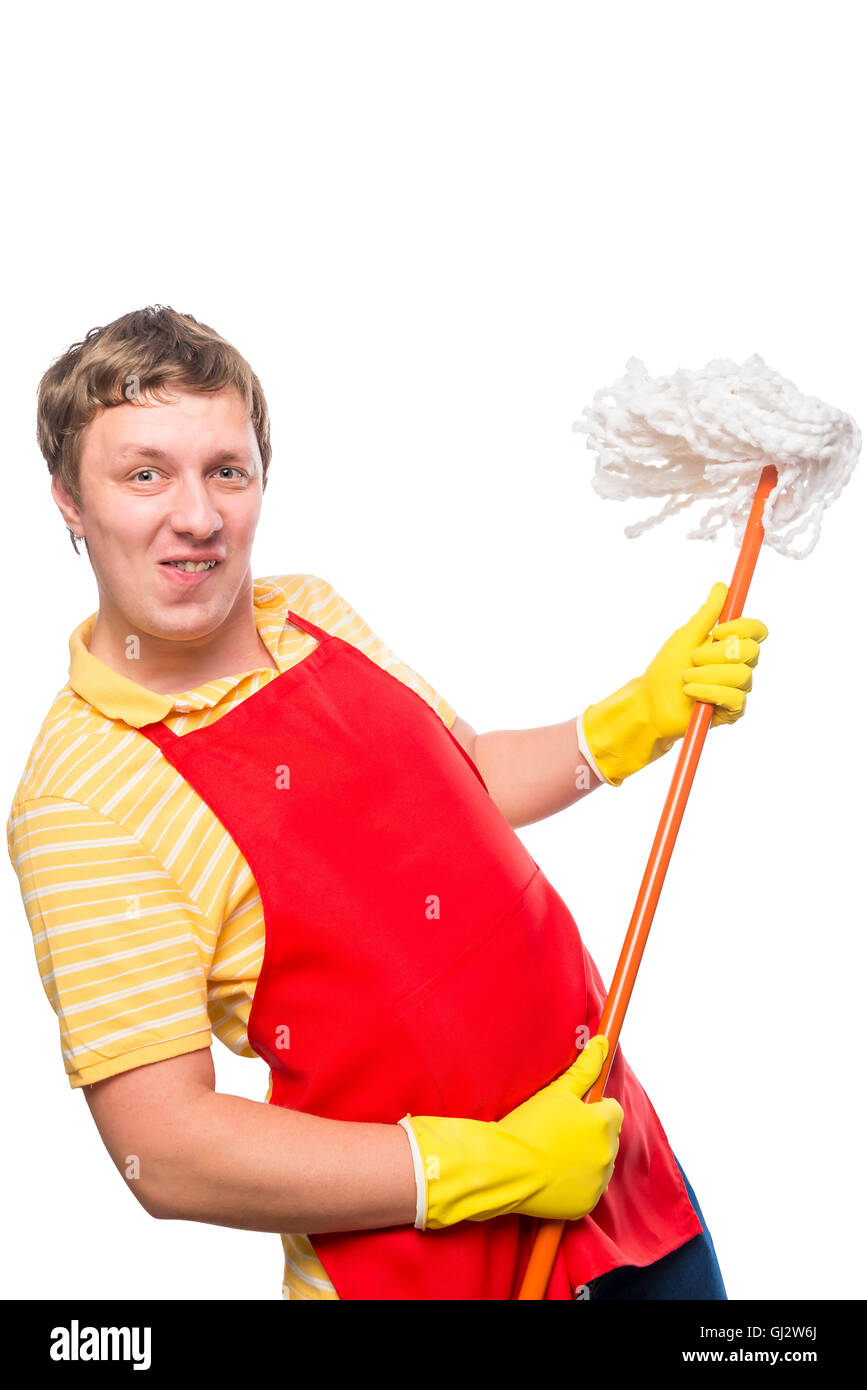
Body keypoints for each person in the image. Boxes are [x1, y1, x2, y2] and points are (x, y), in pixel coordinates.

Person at [6, 305, 767, 1300]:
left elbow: (465, 784)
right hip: (420, 1274)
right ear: (70, 499)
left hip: (613, 1175)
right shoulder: (80, 798)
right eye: (145, 472)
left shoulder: (312, 612)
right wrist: (486, 1168)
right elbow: (168, 1146)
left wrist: (630, 722)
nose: (195, 516)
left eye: (226, 470)